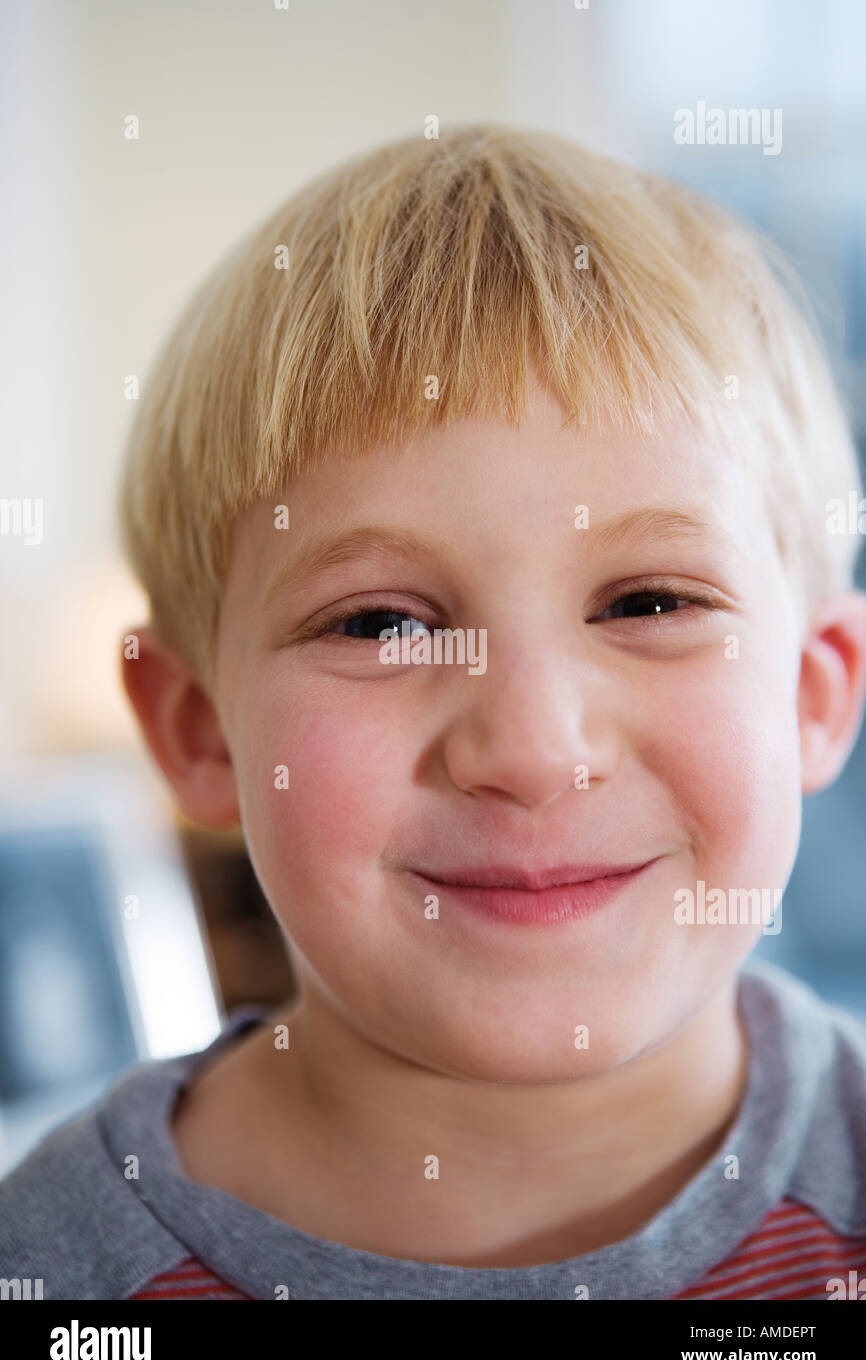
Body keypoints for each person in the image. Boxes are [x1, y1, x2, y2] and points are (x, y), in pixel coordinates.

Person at [3, 123, 866, 1300]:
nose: (530, 749)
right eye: (380, 625)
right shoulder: (52, 1271)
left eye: (647, 600)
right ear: (198, 728)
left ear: (814, 693)